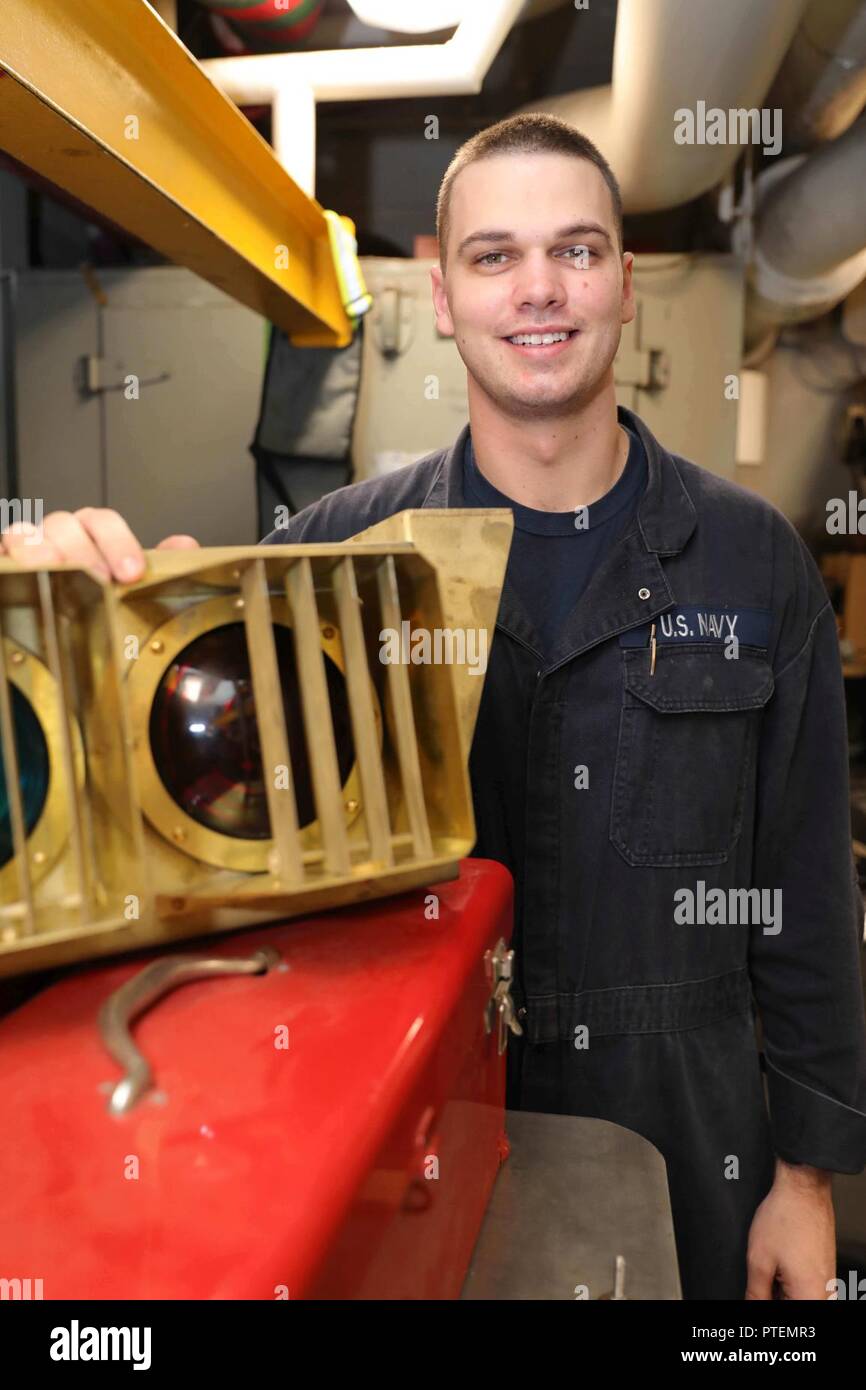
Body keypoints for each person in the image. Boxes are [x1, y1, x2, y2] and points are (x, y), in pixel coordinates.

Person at [3, 112, 866, 1302]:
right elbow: (195, 834)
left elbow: (808, 892)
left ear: (623, 282)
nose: (538, 289)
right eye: (493, 255)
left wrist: (806, 1179)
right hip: (420, 1134)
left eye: (574, 249)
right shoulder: (330, 558)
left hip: (683, 1141)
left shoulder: (750, 561)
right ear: (443, 293)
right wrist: (64, 611)